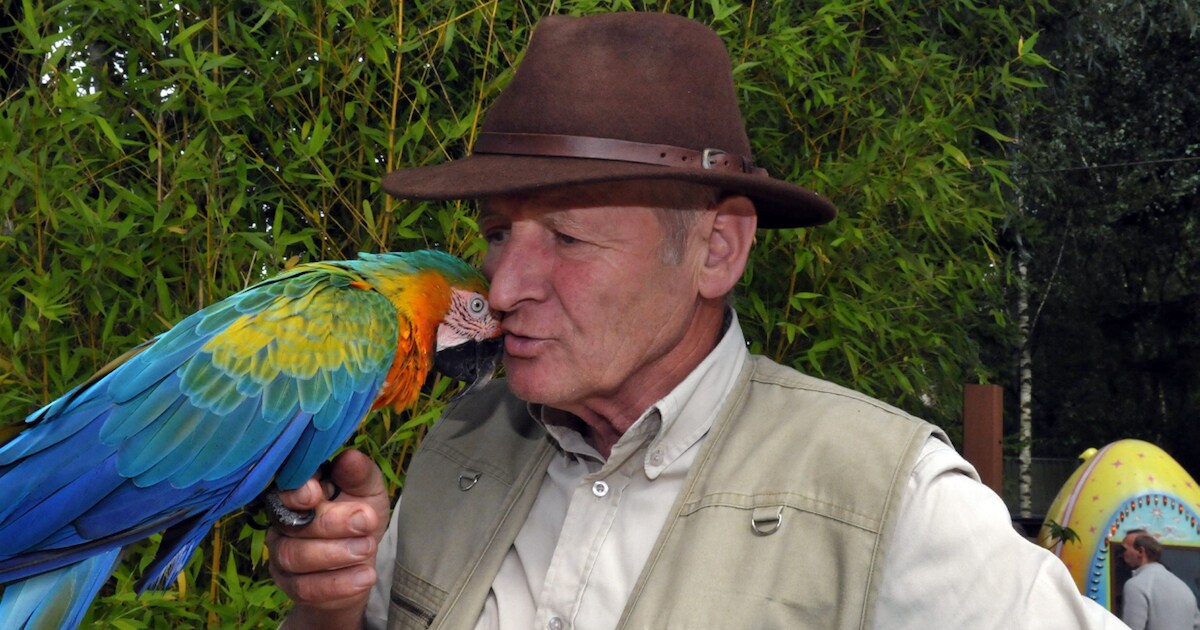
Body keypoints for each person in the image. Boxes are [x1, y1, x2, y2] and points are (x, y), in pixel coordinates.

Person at [266, 12, 1128, 629]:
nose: (502, 286)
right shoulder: (460, 445)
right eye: (497, 233)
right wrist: (331, 610)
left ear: (717, 249)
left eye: (565, 237)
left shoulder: (882, 499)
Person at [1119, 529, 1200, 630]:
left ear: (1140, 551)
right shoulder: (1184, 588)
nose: (1121, 555)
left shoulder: (1136, 585)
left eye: (1124, 549)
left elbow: (1131, 627)